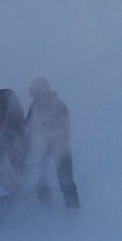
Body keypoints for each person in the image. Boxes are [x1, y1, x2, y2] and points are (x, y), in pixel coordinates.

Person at [25, 77, 80, 210]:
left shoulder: (59, 105)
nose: (35, 98)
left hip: (60, 146)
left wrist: (60, 144)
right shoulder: (34, 106)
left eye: (36, 95)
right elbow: (28, 126)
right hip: (41, 146)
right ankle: (46, 208)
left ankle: (73, 209)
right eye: (34, 96)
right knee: (39, 177)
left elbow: (65, 128)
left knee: (65, 179)